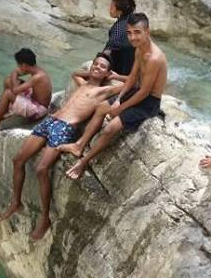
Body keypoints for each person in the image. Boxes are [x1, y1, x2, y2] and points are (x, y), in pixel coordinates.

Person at [0, 54, 124, 240]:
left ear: (107, 72)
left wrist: (113, 76)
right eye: (95, 64)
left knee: (41, 169)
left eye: (102, 66)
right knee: (18, 160)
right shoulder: (83, 84)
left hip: (65, 128)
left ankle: (45, 219)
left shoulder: (103, 91)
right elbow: (74, 73)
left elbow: (129, 83)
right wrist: (92, 71)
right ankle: (16, 202)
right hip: (51, 121)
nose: (96, 67)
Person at [61, 13, 167, 179]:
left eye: (137, 32)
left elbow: (145, 92)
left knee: (110, 128)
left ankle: (84, 162)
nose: (133, 37)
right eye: (129, 33)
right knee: (102, 106)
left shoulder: (154, 58)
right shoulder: (139, 49)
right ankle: (79, 145)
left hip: (149, 102)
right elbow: (132, 77)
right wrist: (118, 99)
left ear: (147, 31)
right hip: (137, 92)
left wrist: (120, 108)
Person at [0, 48, 52, 133]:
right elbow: (16, 76)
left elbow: (15, 90)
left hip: (38, 110)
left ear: (24, 65)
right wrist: (15, 75)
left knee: (8, 93)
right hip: (34, 99)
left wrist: (14, 73)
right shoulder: (35, 69)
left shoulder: (37, 77)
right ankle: (4, 113)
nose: (18, 67)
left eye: (19, 65)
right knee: (8, 81)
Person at [105, 0, 136, 76]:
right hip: (133, 68)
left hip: (121, 71)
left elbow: (107, 52)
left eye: (112, 7)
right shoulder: (131, 19)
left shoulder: (118, 28)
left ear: (120, 11)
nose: (109, 9)